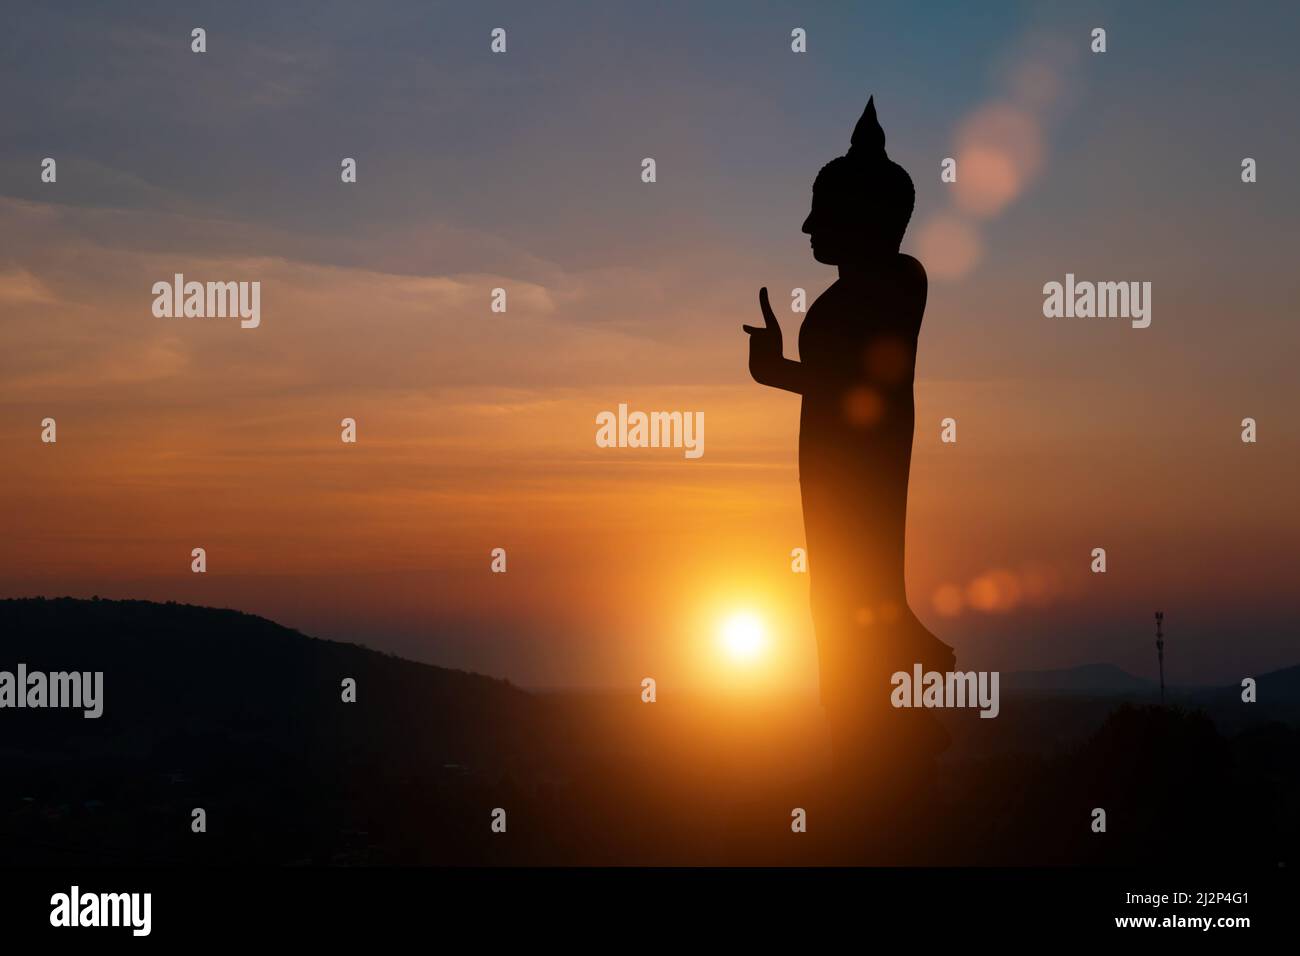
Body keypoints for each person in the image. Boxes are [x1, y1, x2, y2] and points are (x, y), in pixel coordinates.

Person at [743, 97, 955, 796]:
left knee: (855, 613)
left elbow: (862, 389)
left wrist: (782, 372)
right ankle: (869, 765)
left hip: (861, 479)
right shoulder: (865, 292)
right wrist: (779, 372)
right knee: (838, 613)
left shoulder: (898, 282)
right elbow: (842, 388)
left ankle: (882, 774)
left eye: (823, 209)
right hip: (834, 477)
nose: (807, 225)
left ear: (866, 217)